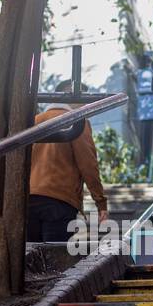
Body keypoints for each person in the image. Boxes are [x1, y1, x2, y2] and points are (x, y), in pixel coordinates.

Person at [25, 91, 108, 242]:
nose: (85, 106)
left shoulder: (33, 122)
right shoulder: (76, 121)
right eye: (83, 100)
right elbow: (88, 164)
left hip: (27, 198)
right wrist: (100, 202)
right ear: (73, 100)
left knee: (31, 258)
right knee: (54, 257)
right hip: (60, 200)